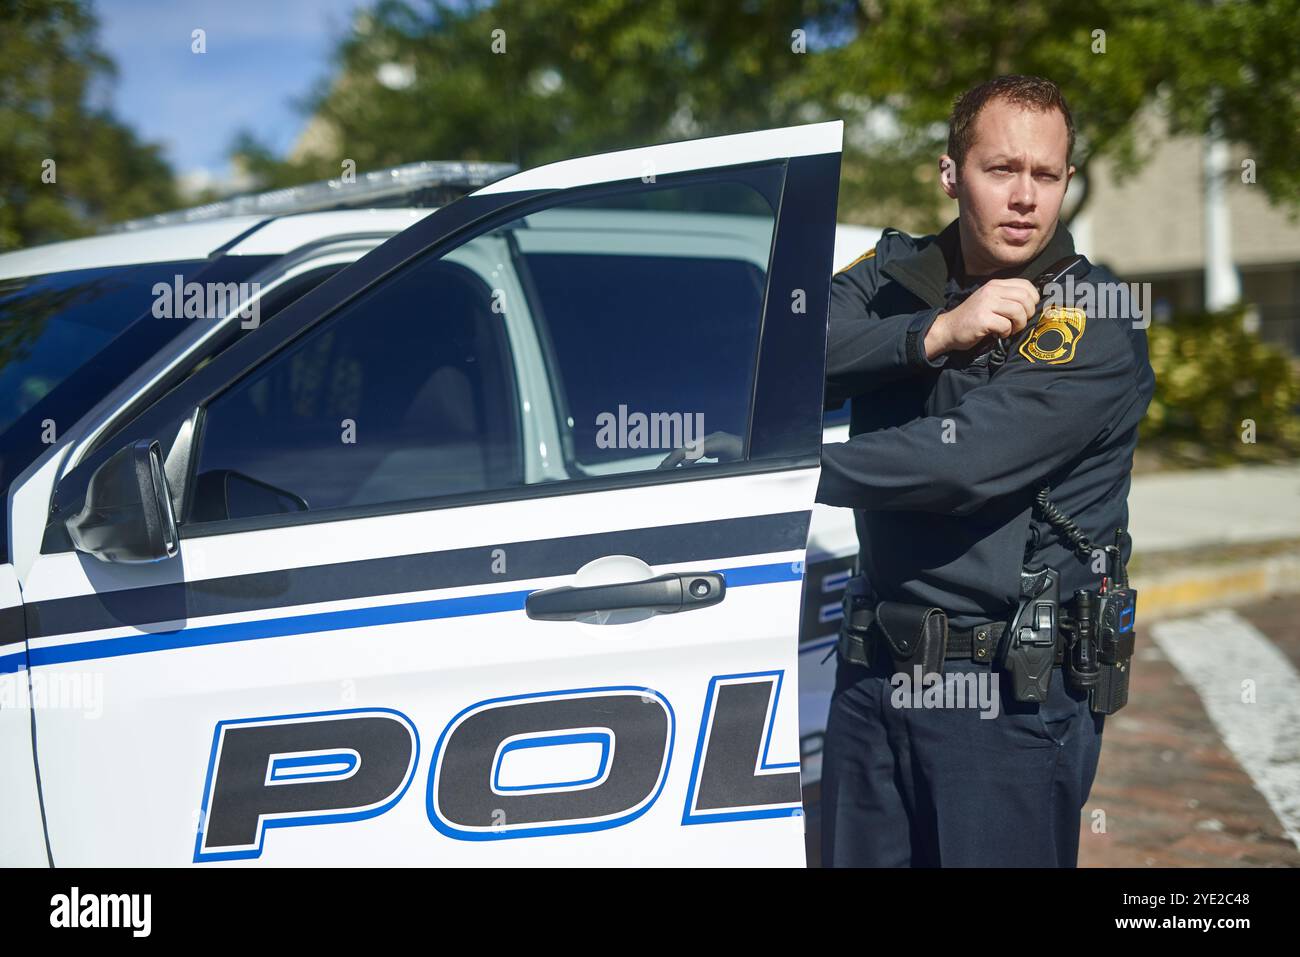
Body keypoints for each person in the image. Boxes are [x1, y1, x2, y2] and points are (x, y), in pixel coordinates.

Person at [816, 75, 1155, 867]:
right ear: (949, 173)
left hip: (1007, 700)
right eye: (1001, 170)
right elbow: (785, 358)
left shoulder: (1094, 317)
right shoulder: (900, 272)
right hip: (873, 677)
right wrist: (927, 335)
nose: (1026, 197)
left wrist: (789, 473)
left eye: (1047, 175)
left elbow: (962, 462)